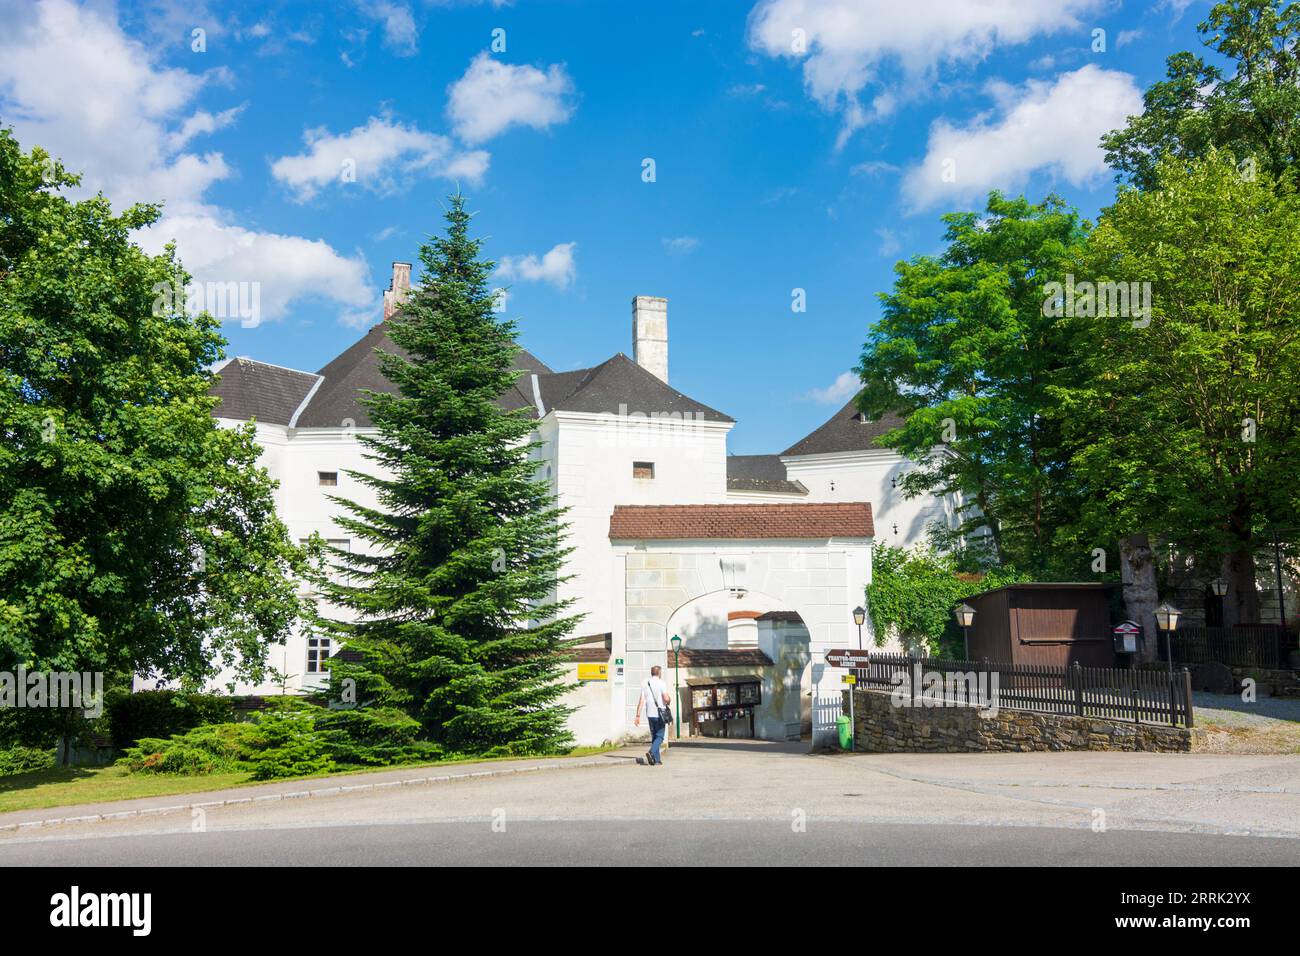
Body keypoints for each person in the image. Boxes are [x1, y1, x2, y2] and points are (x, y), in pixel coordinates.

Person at [634, 665, 671, 766]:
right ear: (659, 673)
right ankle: (651, 752)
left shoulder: (645, 683)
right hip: (660, 714)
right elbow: (666, 698)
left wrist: (637, 716)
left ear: (651, 673)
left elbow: (641, 701)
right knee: (660, 736)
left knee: (654, 736)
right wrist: (669, 700)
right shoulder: (662, 683)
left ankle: (656, 759)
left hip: (650, 714)